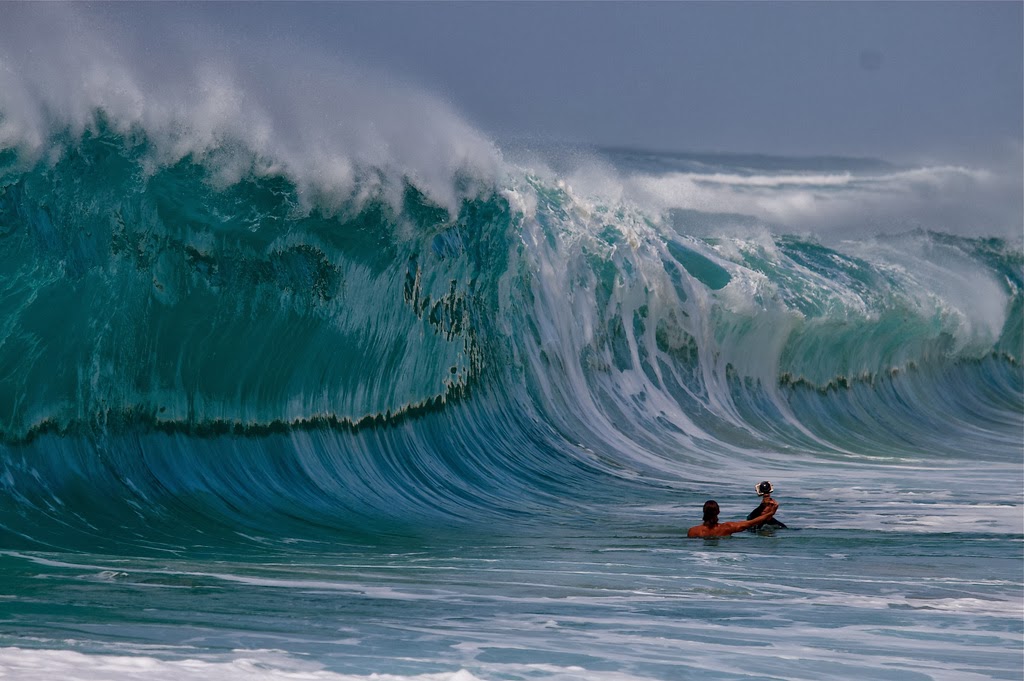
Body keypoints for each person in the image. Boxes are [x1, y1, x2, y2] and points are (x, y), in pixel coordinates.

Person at [687, 498, 778, 538]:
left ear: (703, 512)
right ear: (718, 512)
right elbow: (751, 522)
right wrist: (771, 512)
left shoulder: (693, 531)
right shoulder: (727, 528)